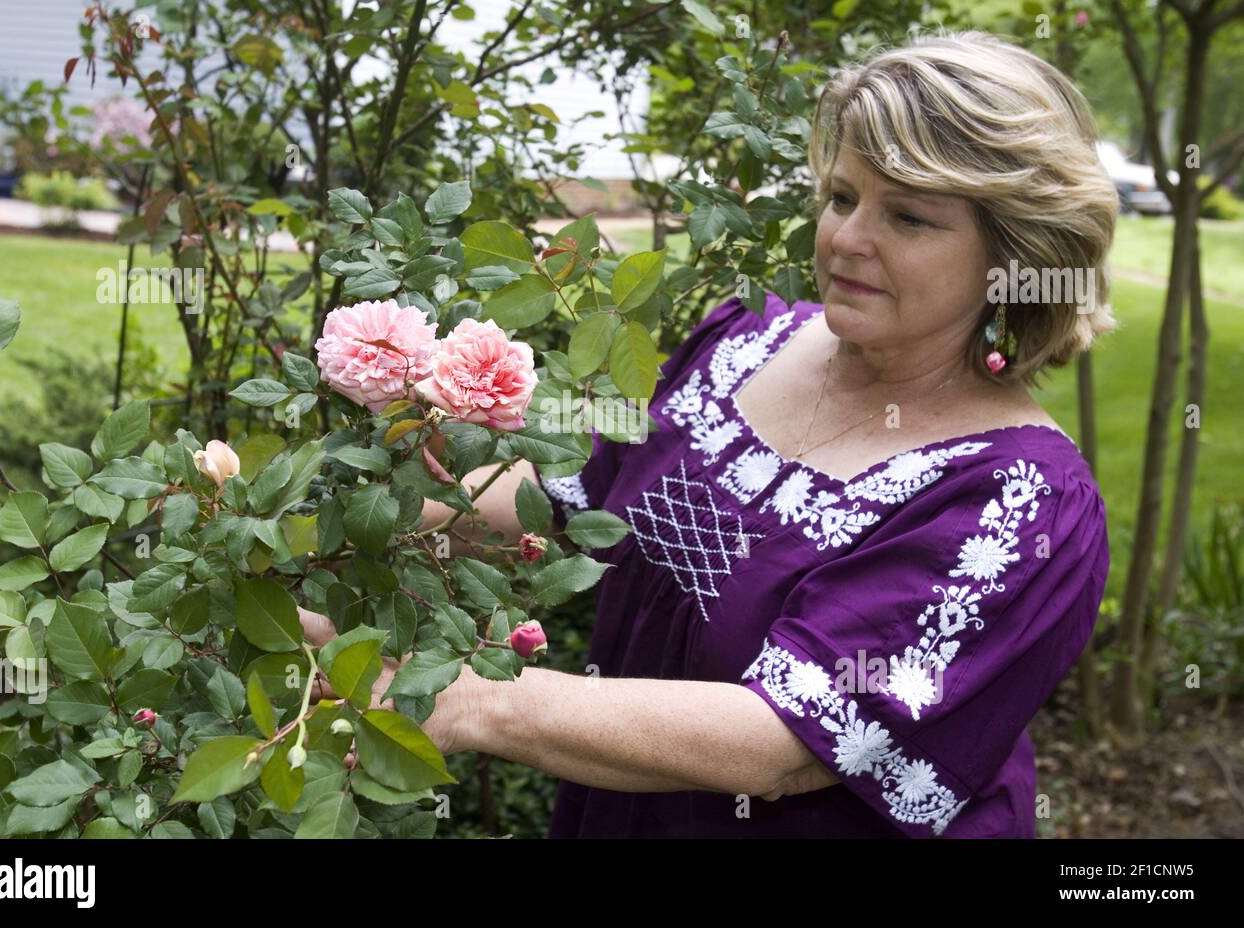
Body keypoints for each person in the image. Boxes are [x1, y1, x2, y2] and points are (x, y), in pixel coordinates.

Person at [302, 29, 1116, 838]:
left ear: (1012, 255)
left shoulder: (1018, 503)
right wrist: (323, 537)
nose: (847, 240)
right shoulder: (748, 341)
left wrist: (467, 699)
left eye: (907, 217)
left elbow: (782, 743)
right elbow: (574, 496)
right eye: (842, 197)